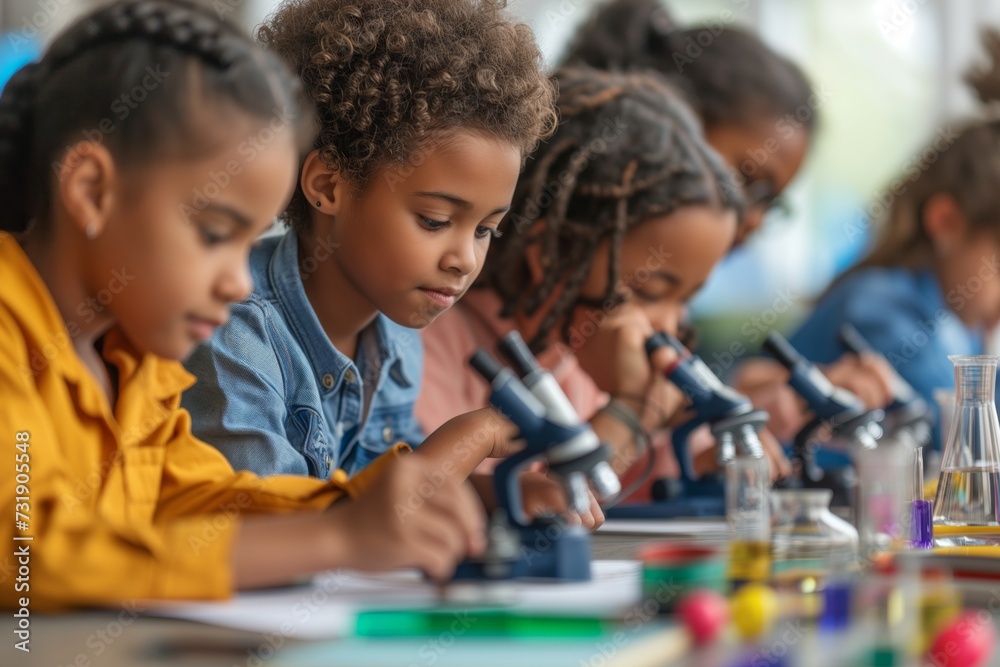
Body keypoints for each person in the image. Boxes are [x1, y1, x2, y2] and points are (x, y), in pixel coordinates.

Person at [0, 0, 501, 610]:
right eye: (214, 233)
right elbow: (27, 560)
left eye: (250, 240)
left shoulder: (132, 361)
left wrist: (365, 509)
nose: (239, 282)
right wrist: (337, 535)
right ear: (91, 190)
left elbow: (199, 500)